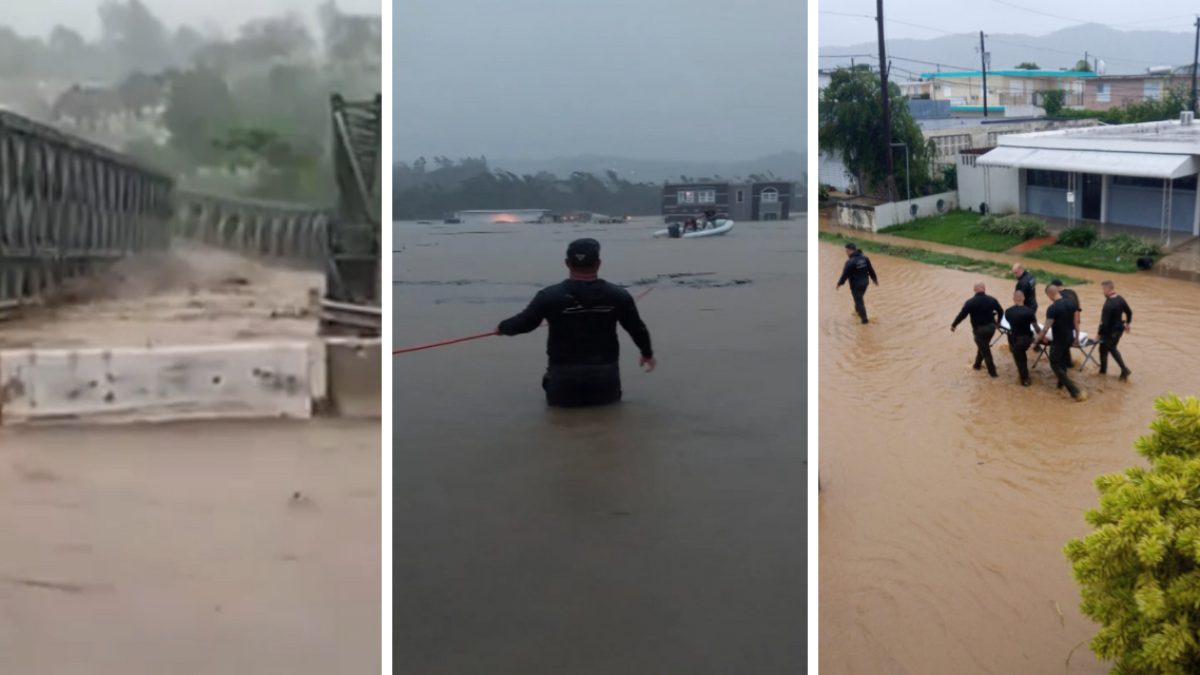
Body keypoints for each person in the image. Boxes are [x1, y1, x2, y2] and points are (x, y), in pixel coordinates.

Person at [496, 238, 656, 408]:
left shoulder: (549, 295)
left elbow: (525, 323)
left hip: (563, 374)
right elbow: (636, 328)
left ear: (567, 263)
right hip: (604, 373)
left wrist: (502, 328)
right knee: (607, 420)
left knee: (561, 424)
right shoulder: (619, 295)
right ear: (598, 263)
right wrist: (647, 353)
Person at [1035, 284, 1086, 401]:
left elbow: (1046, 328)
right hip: (1069, 338)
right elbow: (1076, 324)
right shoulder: (1072, 304)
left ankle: (1074, 390)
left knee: (1054, 364)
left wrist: (1036, 341)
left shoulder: (1052, 308)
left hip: (1058, 340)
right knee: (1062, 362)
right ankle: (1060, 385)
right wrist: (1077, 338)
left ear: (1049, 294)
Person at [950, 282, 1004, 378]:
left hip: (980, 330)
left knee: (985, 351)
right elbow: (1000, 311)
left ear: (974, 290)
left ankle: (993, 374)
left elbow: (962, 315)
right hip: (992, 328)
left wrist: (954, 325)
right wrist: (999, 322)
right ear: (984, 288)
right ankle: (977, 366)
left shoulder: (970, 302)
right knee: (983, 347)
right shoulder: (992, 300)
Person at [1097, 280, 1133, 380]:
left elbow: (1104, 324)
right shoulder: (1120, 299)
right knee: (1112, 348)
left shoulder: (1108, 304)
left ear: (1107, 289)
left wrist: (1098, 336)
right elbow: (1129, 312)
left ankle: (1102, 373)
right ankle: (1124, 369)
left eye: (1103, 289)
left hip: (1110, 332)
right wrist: (1128, 324)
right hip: (1119, 330)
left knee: (1103, 350)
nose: (1103, 292)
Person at [836, 242, 878, 324]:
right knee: (858, 299)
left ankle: (865, 321)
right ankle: (856, 313)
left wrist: (839, 283)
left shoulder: (850, 262)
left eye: (847, 251)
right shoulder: (865, 258)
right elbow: (870, 269)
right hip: (865, 283)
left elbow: (845, 275)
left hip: (856, 285)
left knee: (859, 301)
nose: (846, 253)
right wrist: (874, 279)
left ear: (852, 250)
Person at [1004, 289, 1038, 386]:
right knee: (1038, 345)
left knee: (1021, 363)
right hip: (1028, 339)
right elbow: (1036, 327)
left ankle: (1026, 382)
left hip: (1015, 341)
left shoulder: (1008, 311)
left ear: (1013, 299)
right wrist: (1041, 337)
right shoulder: (1030, 311)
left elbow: (1008, 322)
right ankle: (1038, 351)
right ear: (1024, 298)